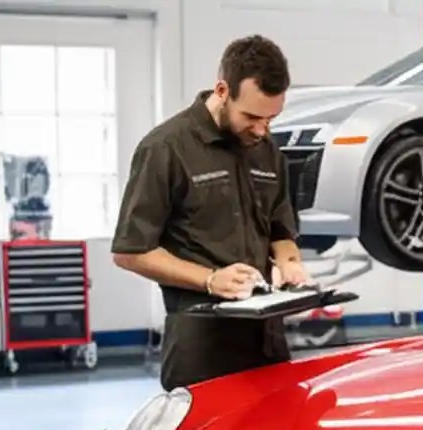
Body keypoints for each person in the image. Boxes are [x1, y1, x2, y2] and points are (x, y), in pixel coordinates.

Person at [110, 35, 311, 391]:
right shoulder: (166, 149)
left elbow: (280, 230)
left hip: (267, 341)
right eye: (251, 117)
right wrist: (210, 279)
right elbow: (130, 251)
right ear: (222, 91)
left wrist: (290, 263)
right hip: (200, 346)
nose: (262, 130)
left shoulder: (267, 151)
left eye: (271, 118)